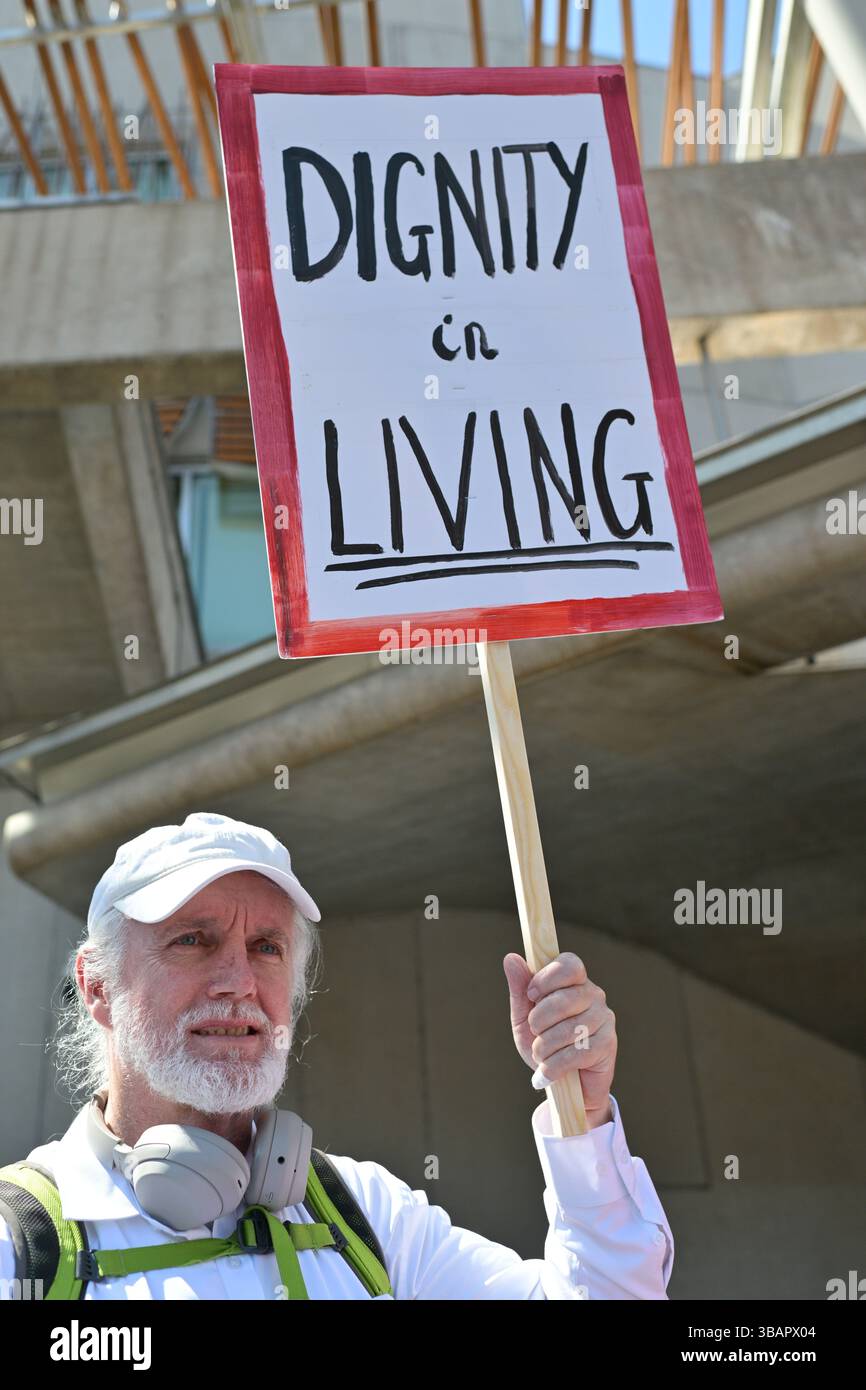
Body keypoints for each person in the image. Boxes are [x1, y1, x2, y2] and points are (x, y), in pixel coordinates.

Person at [0, 811, 673, 1300]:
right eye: (193, 941)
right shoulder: (17, 1244)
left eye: (267, 947)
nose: (238, 983)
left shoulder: (364, 1214)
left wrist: (580, 1119)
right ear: (96, 986)